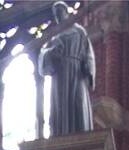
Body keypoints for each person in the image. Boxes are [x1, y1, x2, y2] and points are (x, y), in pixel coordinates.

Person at [38, 2, 95, 136]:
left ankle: (81, 137)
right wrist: (52, 53)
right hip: (60, 75)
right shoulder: (54, 35)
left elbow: (88, 53)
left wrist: (89, 68)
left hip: (76, 72)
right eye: (55, 14)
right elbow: (43, 54)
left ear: (66, 12)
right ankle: (60, 135)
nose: (58, 16)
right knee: (60, 106)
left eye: (60, 12)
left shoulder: (79, 31)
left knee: (78, 103)